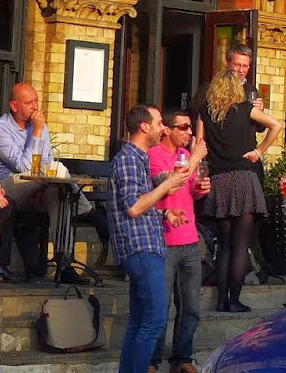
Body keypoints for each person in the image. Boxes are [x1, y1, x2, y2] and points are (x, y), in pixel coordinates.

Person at [110, 104, 194, 373]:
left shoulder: (140, 158)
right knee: (155, 319)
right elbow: (133, 207)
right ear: (144, 126)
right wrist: (166, 185)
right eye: (159, 123)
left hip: (146, 244)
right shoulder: (128, 159)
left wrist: (166, 213)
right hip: (141, 248)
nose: (163, 128)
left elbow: (142, 205)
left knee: (139, 321)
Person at [197, 69, 283, 313]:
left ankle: (222, 301)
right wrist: (260, 151)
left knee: (225, 244)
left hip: (219, 180)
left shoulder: (206, 114)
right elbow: (277, 125)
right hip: (244, 178)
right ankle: (234, 301)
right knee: (240, 245)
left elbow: (199, 146)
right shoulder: (247, 109)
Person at [147, 108, 213, 373]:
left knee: (191, 307)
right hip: (164, 239)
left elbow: (188, 189)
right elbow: (169, 184)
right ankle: (152, 361)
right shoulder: (155, 155)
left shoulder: (185, 156)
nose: (188, 132)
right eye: (183, 127)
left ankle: (182, 358)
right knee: (160, 308)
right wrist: (196, 158)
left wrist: (199, 190)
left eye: (189, 127)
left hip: (189, 238)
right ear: (168, 130)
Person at [0, 82, 58, 283]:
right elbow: (25, 167)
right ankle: (91, 214)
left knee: (59, 193)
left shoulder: (41, 126)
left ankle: (64, 261)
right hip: (2, 186)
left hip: (32, 184)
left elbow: (45, 162)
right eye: (29, 103)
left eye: (36, 101)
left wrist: (42, 186)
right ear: (14, 106)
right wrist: (36, 133)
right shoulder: (0, 129)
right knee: (56, 177)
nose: (35, 107)